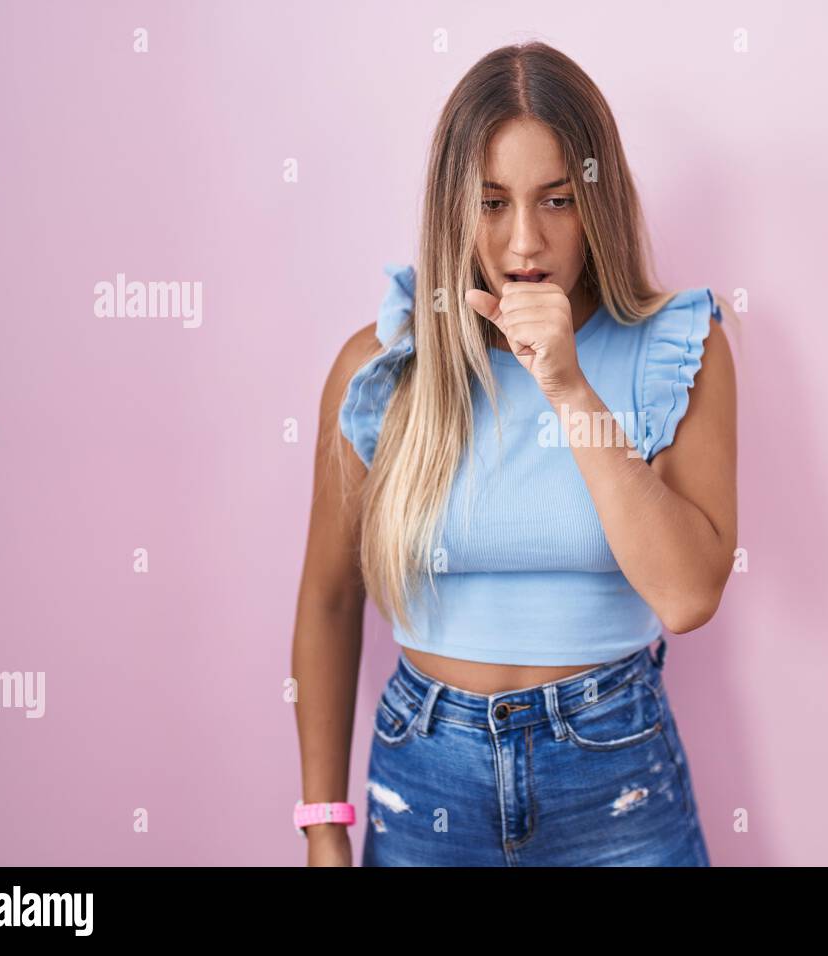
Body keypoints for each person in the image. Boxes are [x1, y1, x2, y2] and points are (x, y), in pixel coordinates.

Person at [291, 40, 737, 866]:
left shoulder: (676, 346)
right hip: (424, 777)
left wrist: (570, 391)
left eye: (557, 201)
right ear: (452, 207)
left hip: (615, 777)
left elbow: (686, 594)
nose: (525, 242)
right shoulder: (381, 367)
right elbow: (326, 601)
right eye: (492, 203)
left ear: (596, 202)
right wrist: (325, 826)